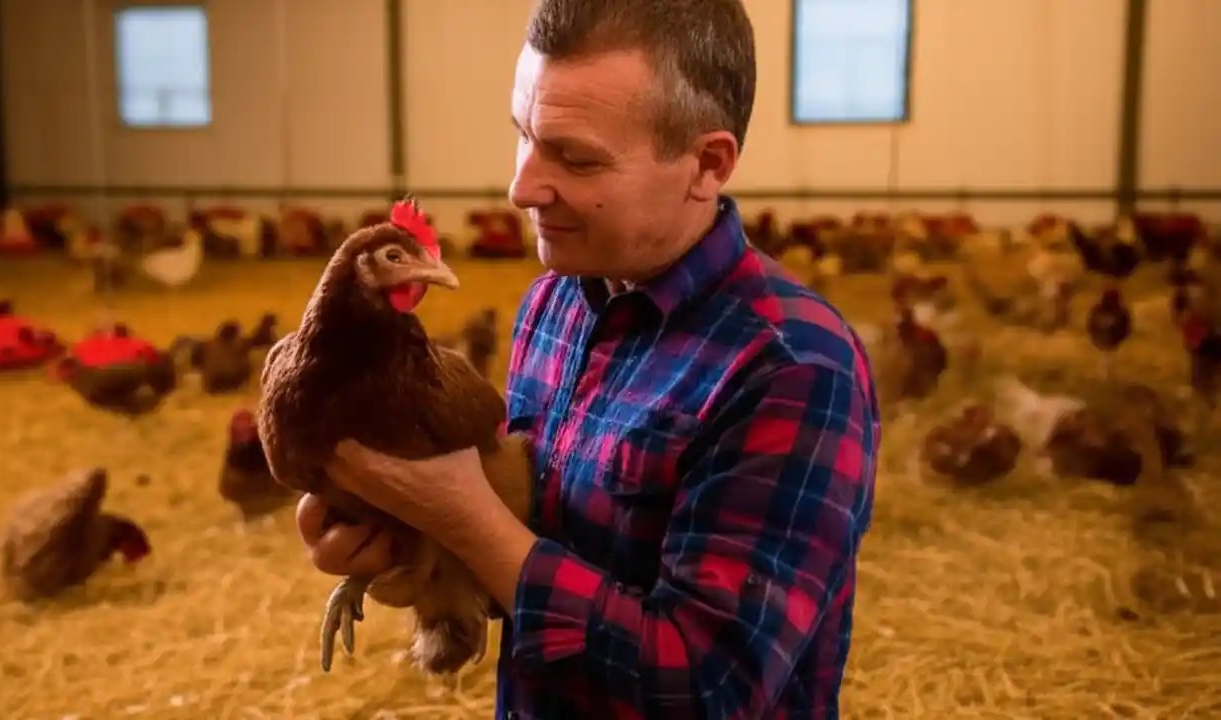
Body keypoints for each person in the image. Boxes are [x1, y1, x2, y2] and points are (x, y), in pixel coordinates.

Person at [295, 0, 880, 716]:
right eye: (525, 136)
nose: (522, 188)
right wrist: (403, 553)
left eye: (575, 157)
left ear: (707, 163)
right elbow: (541, 564)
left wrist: (465, 521)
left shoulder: (791, 369)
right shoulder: (557, 306)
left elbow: (706, 688)